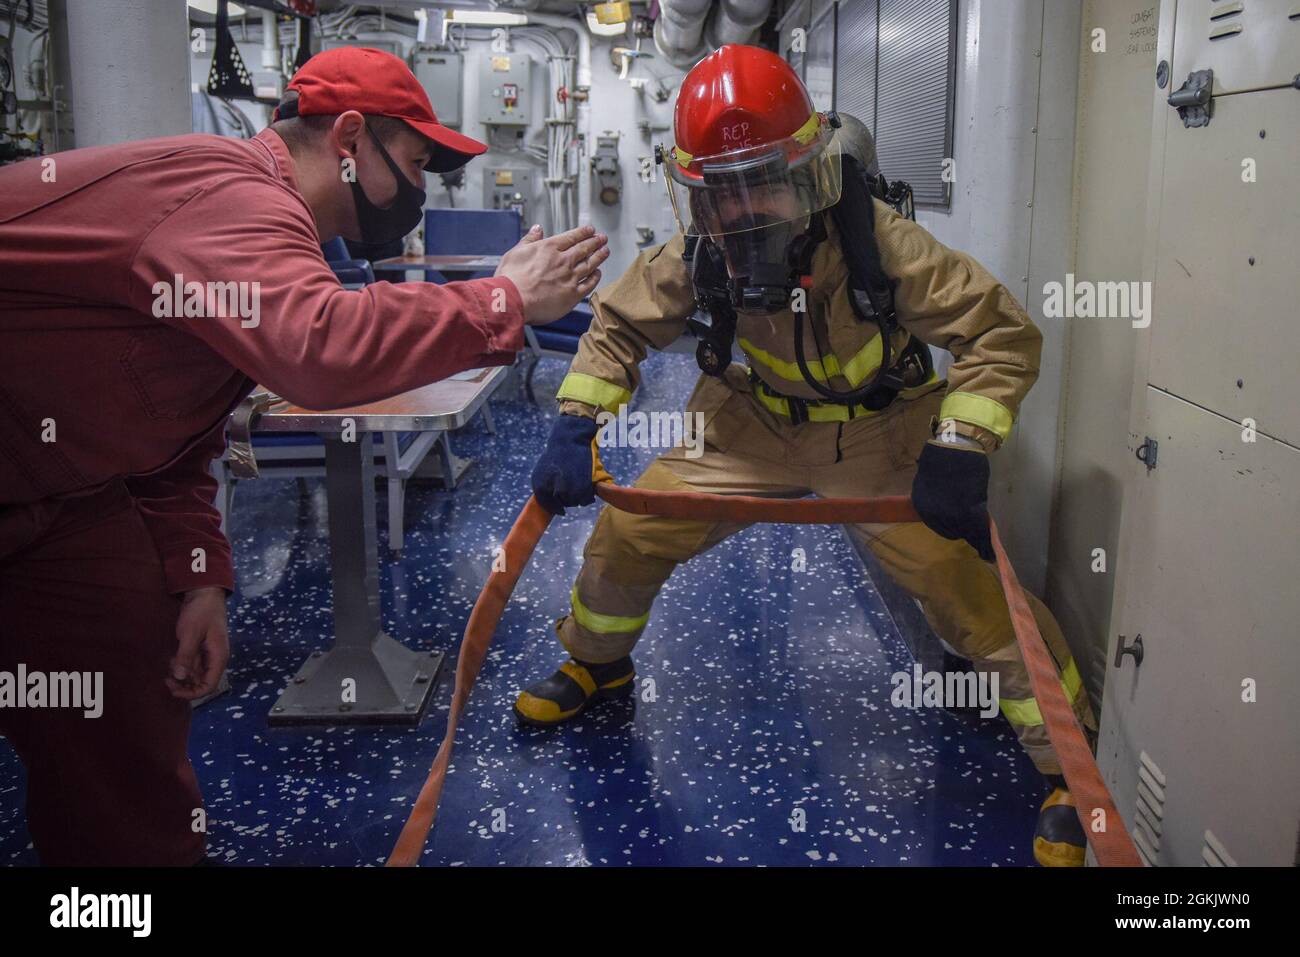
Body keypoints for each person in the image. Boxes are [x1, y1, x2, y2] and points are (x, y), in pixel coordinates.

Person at [0, 46, 608, 865]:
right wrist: (500, 299)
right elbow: (316, 349)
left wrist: (198, 571)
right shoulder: (229, 194)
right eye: (418, 161)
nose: (423, 188)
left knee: (120, 735)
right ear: (351, 138)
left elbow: (177, 420)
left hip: (72, 496)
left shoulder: (266, 230)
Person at [518, 45, 1094, 867]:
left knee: (963, 587)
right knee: (627, 536)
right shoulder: (699, 252)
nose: (744, 208)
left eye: (761, 181)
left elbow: (999, 334)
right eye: (722, 190)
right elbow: (616, 327)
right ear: (697, 193)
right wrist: (575, 424)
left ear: (810, 173)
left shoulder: (880, 244)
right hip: (746, 424)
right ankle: (595, 664)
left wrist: (960, 446)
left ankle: (1068, 763)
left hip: (878, 435)